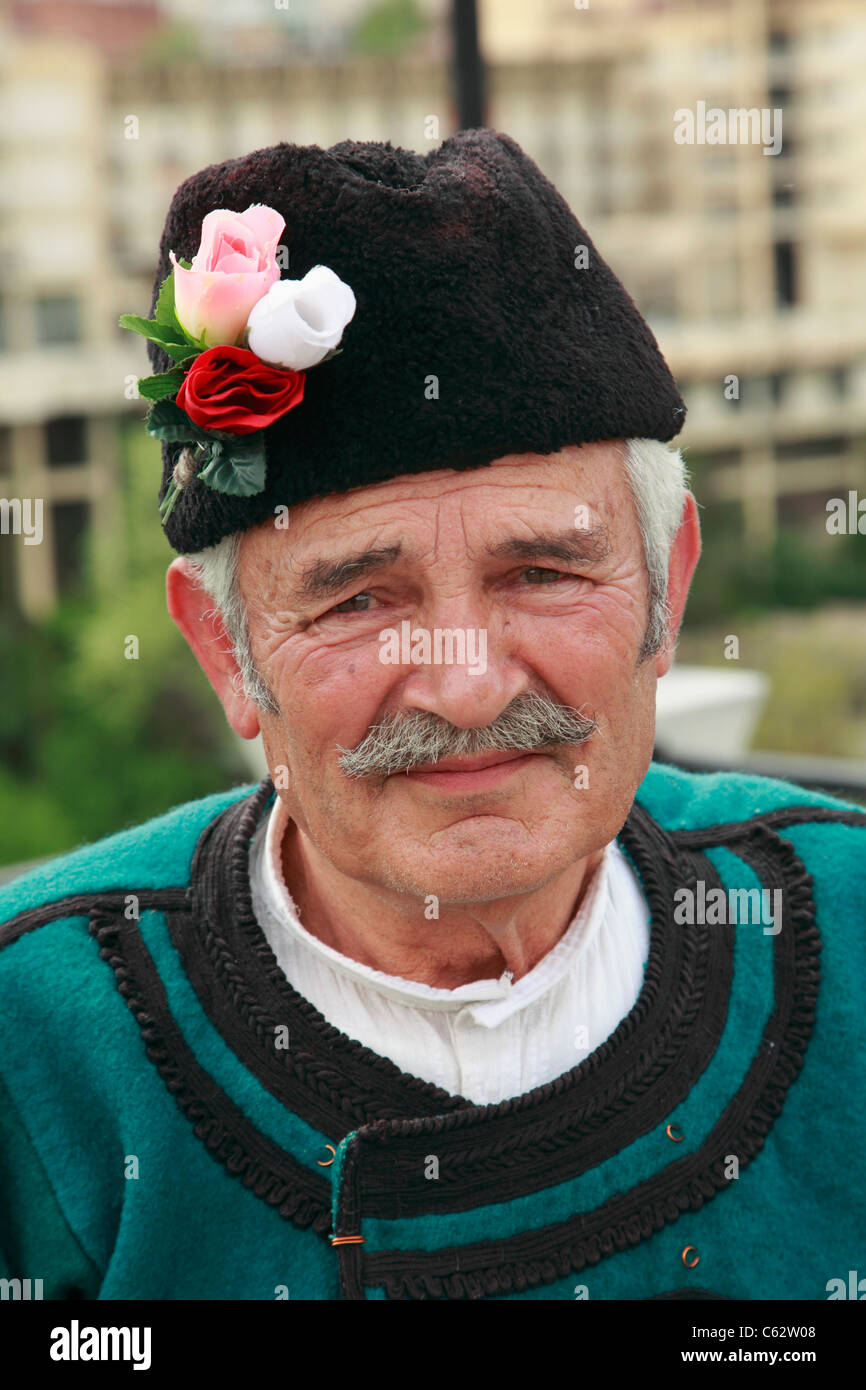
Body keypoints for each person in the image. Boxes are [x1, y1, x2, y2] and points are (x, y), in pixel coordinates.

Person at [1, 130, 863, 1302]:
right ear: (225, 652)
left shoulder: (845, 928)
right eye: (358, 598)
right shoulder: (35, 1040)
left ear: (667, 590)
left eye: (542, 575)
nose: (465, 687)